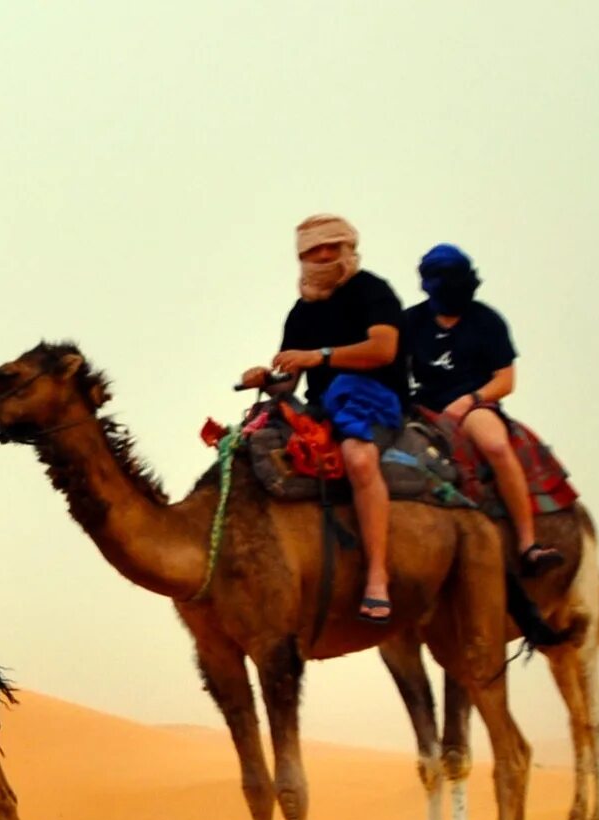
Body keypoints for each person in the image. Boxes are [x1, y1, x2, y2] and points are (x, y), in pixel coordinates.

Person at [239, 213, 406, 624]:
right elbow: (288, 381)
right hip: (321, 406)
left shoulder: (372, 291)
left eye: (333, 246)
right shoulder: (303, 311)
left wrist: (323, 356)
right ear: (303, 255)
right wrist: (265, 376)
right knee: (250, 452)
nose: (325, 254)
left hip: (375, 398)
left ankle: (377, 578)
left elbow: (383, 350)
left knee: (359, 459)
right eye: (315, 248)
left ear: (349, 248)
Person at [401, 244, 562, 575]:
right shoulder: (411, 322)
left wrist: (471, 400)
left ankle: (527, 543)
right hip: (421, 407)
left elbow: (505, 380)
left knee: (496, 445)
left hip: (472, 405)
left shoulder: (486, 321)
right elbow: (395, 370)